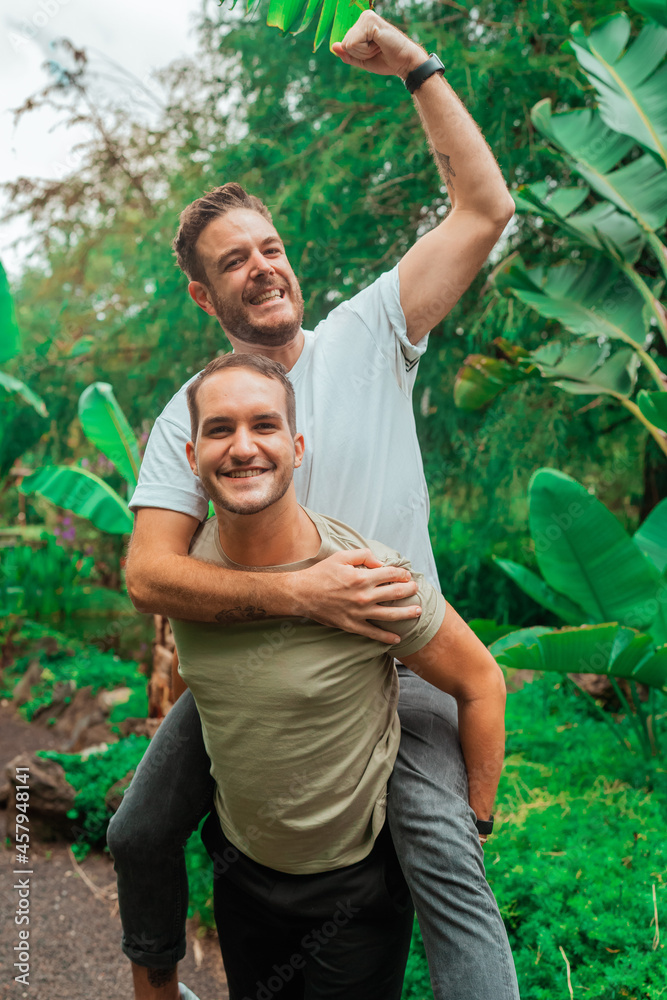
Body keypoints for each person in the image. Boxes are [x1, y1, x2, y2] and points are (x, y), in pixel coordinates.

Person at [107, 10, 519, 1000]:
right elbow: (148, 572)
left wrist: (416, 66)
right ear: (206, 298)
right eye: (233, 261)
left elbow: (482, 208)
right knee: (136, 830)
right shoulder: (196, 413)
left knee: (449, 869)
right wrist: (303, 598)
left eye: (269, 245)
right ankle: (158, 984)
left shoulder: (369, 328)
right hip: (260, 669)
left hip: (396, 655)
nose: (263, 265)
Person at [169, 351, 506, 1000]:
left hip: (351, 894)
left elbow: (480, 682)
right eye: (219, 429)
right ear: (191, 457)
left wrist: (477, 822)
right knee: (139, 834)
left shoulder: (368, 575)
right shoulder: (184, 578)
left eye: (264, 426)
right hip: (239, 875)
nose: (242, 447)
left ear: (296, 448)